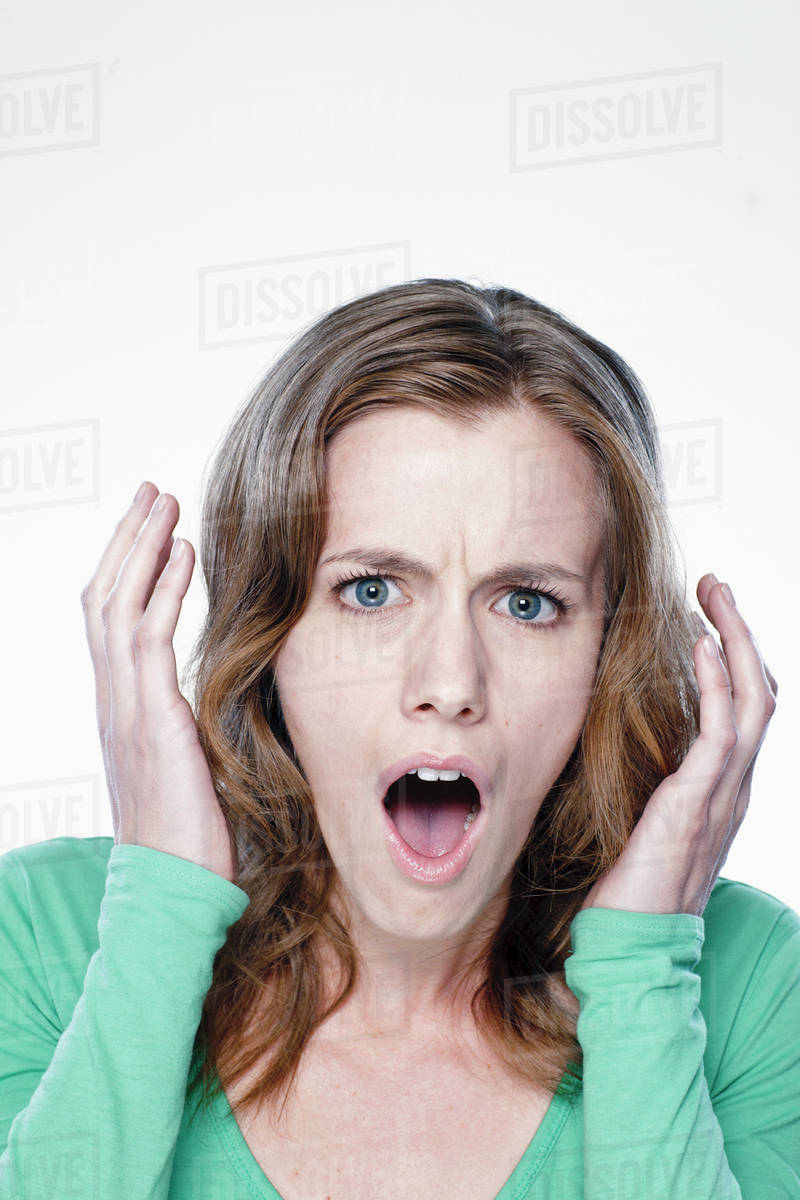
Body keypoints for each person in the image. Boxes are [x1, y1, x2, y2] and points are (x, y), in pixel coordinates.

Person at [0, 278, 797, 1199]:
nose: (451, 684)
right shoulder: (43, 941)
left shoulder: (748, 985)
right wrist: (158, 919)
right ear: (270, 633)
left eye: (528, 602)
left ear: (608, 652)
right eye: (372, 590)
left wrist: (644, 969)